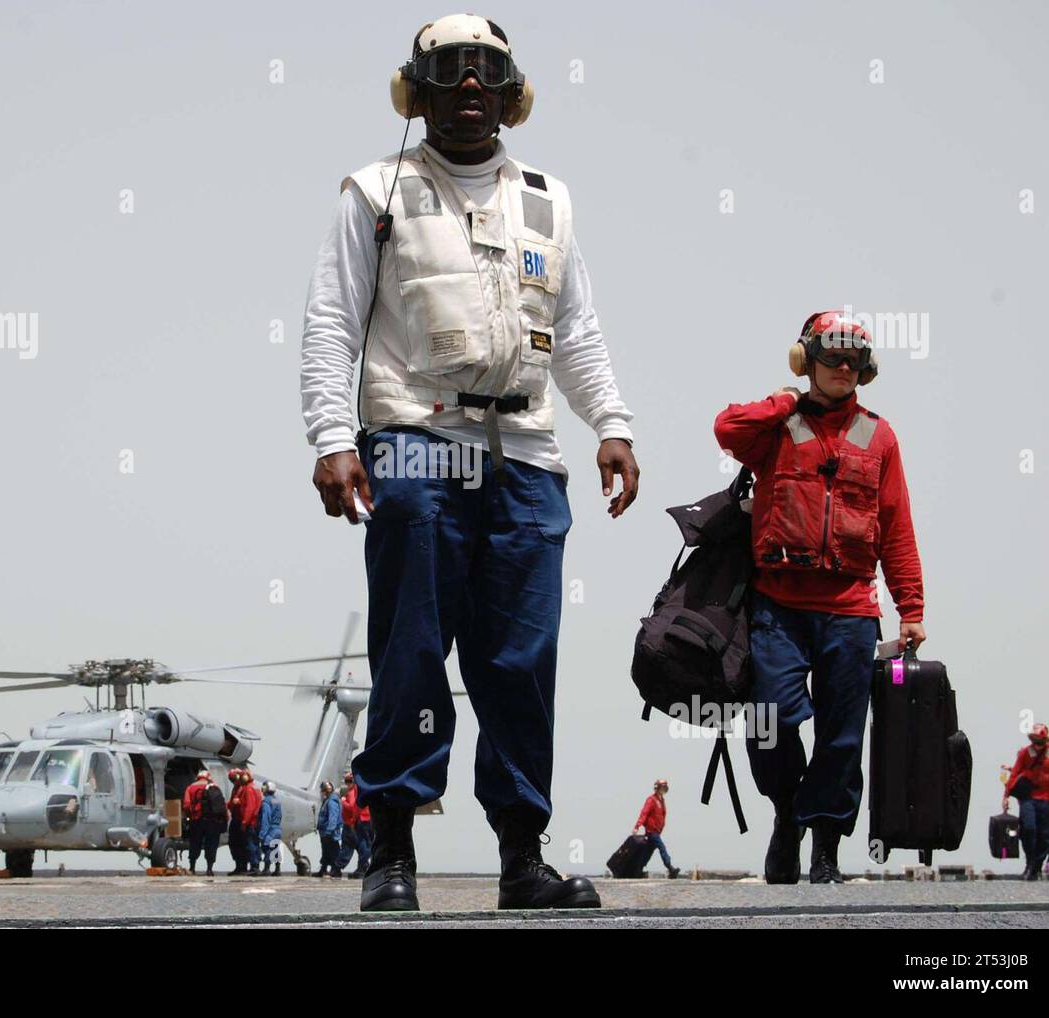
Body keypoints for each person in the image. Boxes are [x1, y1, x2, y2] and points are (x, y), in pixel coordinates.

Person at [300, 12, 637, 913]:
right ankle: (392, 854)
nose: (472, 84)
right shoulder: (374, 193)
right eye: (451, 70)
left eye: (488, 70)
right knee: (412, 653)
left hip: (528, 455)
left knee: (522, 661)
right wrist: (333, 438)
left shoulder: (547, 201)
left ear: (513, 90)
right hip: (415, 441)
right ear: (420, 90)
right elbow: (332, 320)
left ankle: (522, 861)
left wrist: (610, 421)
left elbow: (575, 329)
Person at [715, 310, 926, 885]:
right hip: (778, 605)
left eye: (853, 358)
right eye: (830, 355)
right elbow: (726, 430)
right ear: (804, 360)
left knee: (841, 734)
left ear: (866, 368)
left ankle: (825, 848)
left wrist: (912, 609)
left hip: (851, 610)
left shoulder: (879, 436)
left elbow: (896, 526)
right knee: (772, 717)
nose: (842, 366)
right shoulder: (776, 428)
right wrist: (782, 401)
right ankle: (787, 814)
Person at [1003, 724, 1049, 880]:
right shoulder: (1025, 753)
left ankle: (1036, 866)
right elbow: (1015, 772)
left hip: (1047, 800)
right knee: (1028, 829)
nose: (1037, 745)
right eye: (1035, 741)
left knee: (1046, 836)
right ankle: (1030, 862)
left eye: (1040, 741)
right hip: (1028, 799)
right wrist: (1006, 796)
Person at [633, 779, 681, 879]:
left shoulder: (661, 801)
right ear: (657, 788)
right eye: (661, 788)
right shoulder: (651, 800)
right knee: (661, 847)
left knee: (647, 852)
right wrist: (637, 826)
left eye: (664, 788)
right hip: (651, 831)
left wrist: (661, 828)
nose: (663, 790)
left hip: (657, 831)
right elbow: (644, 813)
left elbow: (662, 816)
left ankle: (637, 870)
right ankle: (670, 868)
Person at [335, 772, 372, 878]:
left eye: (350, 781)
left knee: (363, 845)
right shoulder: (360, 789)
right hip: (361, 820)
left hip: (359, 821)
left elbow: (353, 807)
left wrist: (343, 802)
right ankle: (363, 867)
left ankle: (362, 868)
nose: (348, 783)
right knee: (361, 845)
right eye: (346, 781)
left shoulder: (352, 792)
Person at [181, 770, 215, 875]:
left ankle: (192, 867)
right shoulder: (213, 786)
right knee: (211, 844)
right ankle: (209, 869)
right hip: (211, 821)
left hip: (196, 820)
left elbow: (186, 805)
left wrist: (189, 815)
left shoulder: (190, 787)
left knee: (194, 844)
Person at [202, 773, 230, 877]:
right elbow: (224, 811)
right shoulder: (218, 791)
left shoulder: (205, 791)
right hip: (217, 823)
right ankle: (210, 868)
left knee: (207, 845)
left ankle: (194, 866)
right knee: (213, 846)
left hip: (207, 823)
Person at [316, 780, 344, 878]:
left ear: (326, 791)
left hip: (330, 832)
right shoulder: (327, 800)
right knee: (326, 851)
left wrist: (329, 830)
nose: (322, 793)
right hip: (324, 831)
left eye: (323, 790)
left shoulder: (332, 801)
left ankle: (336, 870)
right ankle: (323, 869)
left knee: (333, 851)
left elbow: (333, 817)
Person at [239, 769, 264, 876]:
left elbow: (249, 808)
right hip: (256, 822)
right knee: (255, 844)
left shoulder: (248, 789)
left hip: (251, 823)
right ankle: (256, 865)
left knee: (251, 845)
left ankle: (254, 867)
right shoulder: (256, 788)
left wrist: (244, 822)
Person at [258, 781, 284, 877]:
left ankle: (266, 869)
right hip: (277, 828)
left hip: (270, 829)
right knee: (276, 848)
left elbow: (266, 818)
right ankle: (277, 869)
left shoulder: (266, 802)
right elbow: (280, 815)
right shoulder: (277, 800)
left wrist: (262, 834)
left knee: (267, 848)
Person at [226, 768, 249, 876]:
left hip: (242, 820)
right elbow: (232, 803)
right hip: (235, 819)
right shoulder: (236, 788)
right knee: (233, 843)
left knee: (242, 844)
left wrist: (239, 802)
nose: (233, 781)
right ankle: (238, 866)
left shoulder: (246, 789)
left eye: (233, 779)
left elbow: (250, 805)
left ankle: (243, 867)